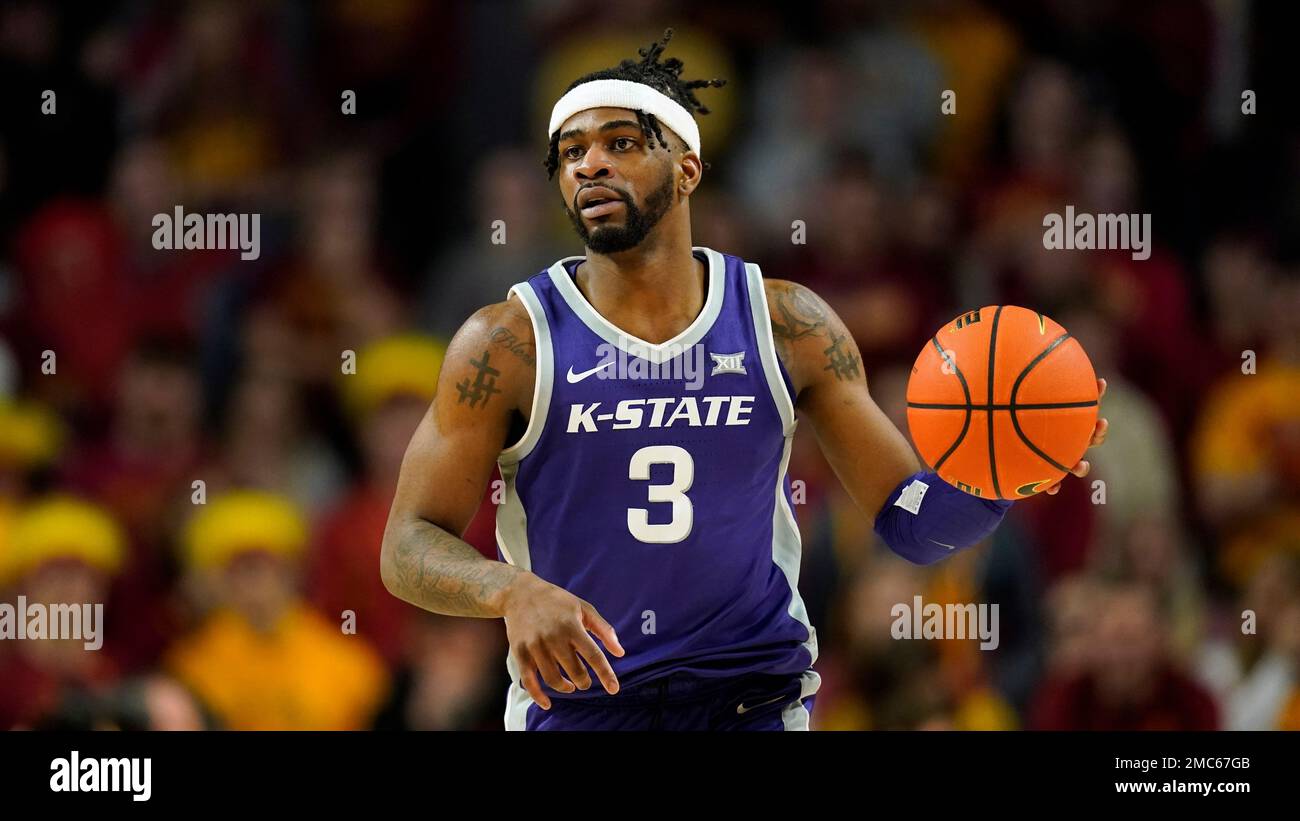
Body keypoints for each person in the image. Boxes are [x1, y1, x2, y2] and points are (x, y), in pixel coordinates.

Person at [380, 29, 1107, 731]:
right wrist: (508, 589)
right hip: (582, 707)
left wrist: (997, 477)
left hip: (749, 704)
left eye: (621, 144)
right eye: (570, 153)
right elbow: (407, 543)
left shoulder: (788, 323)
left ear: (688, 168)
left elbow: (910, 521)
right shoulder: (508, 343)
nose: (589, 165)